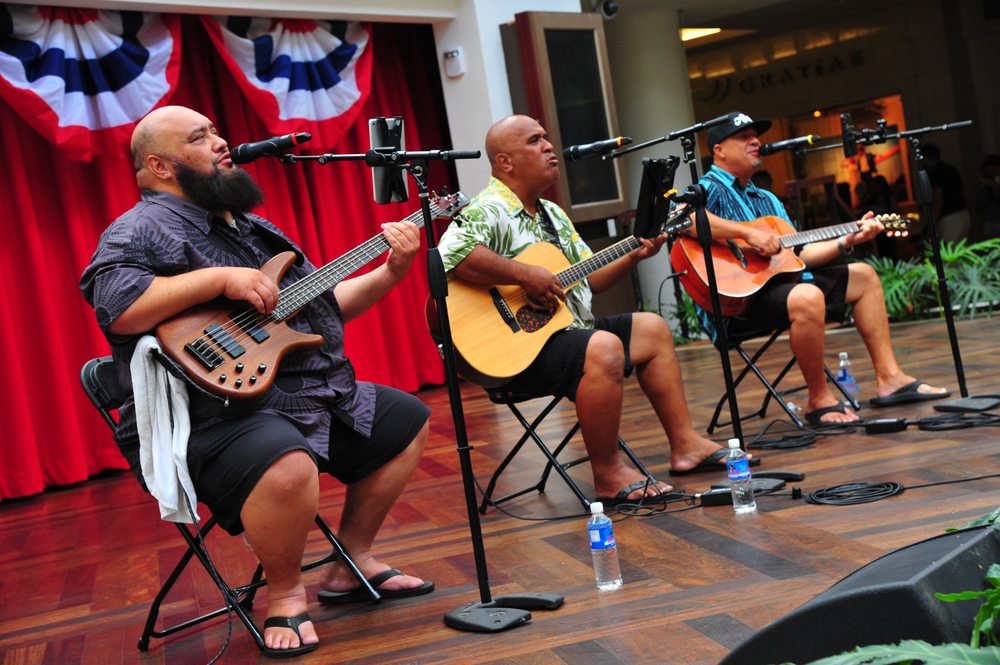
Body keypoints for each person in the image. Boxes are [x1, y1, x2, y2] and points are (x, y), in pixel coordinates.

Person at [80, 106, 433, 657]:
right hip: (205, 417)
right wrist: (219, 277)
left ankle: (352, 561)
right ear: (160, 164)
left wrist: (392, 271)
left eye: (217, 130)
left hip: (298, 397)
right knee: (284, 458)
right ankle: (285, 595)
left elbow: (319, 308)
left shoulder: (251, 227)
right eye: (201, 137)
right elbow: (118, 309)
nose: (222, 142)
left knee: (405, 420)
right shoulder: (140, 228)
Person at [437, 115, 748, 502]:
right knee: (602, 346)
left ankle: (685, 444)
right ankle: (608, 473)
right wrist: (524, 274)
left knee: (652, 328)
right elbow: (449, 257)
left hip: (565, 332)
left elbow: (590, 279)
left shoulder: (553, 214)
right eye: (535, 141)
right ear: (505, 162)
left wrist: (636, 251)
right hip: (517, 353)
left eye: (547, 138)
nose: (549, 146)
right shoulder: (487, 209)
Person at [696, 111, 949, 424]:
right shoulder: (704, 190)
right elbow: (682, 220)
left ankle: (890, 379)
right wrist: (746, 232)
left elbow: (798, 254)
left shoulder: (767, 199)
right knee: (806, 295)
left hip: (780, 286)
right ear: (718, 149)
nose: (755, 142)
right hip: (735, 303)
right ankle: (819, 399)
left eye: (756, 136)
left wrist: (847, 241)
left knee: (864, 276)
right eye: (744, 137)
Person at [922, 143, 971, 242]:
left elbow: (938, 199)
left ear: (926, 157)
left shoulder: (935, 173)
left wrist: (931, 223)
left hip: (951, 220)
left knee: (949, 255)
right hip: (963, 215)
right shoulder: (951, 169)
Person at [974, 154, 1000, 239]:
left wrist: (996, 187)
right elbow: (980, 204)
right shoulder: (983, 183)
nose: (988, 171)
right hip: (989, 222)